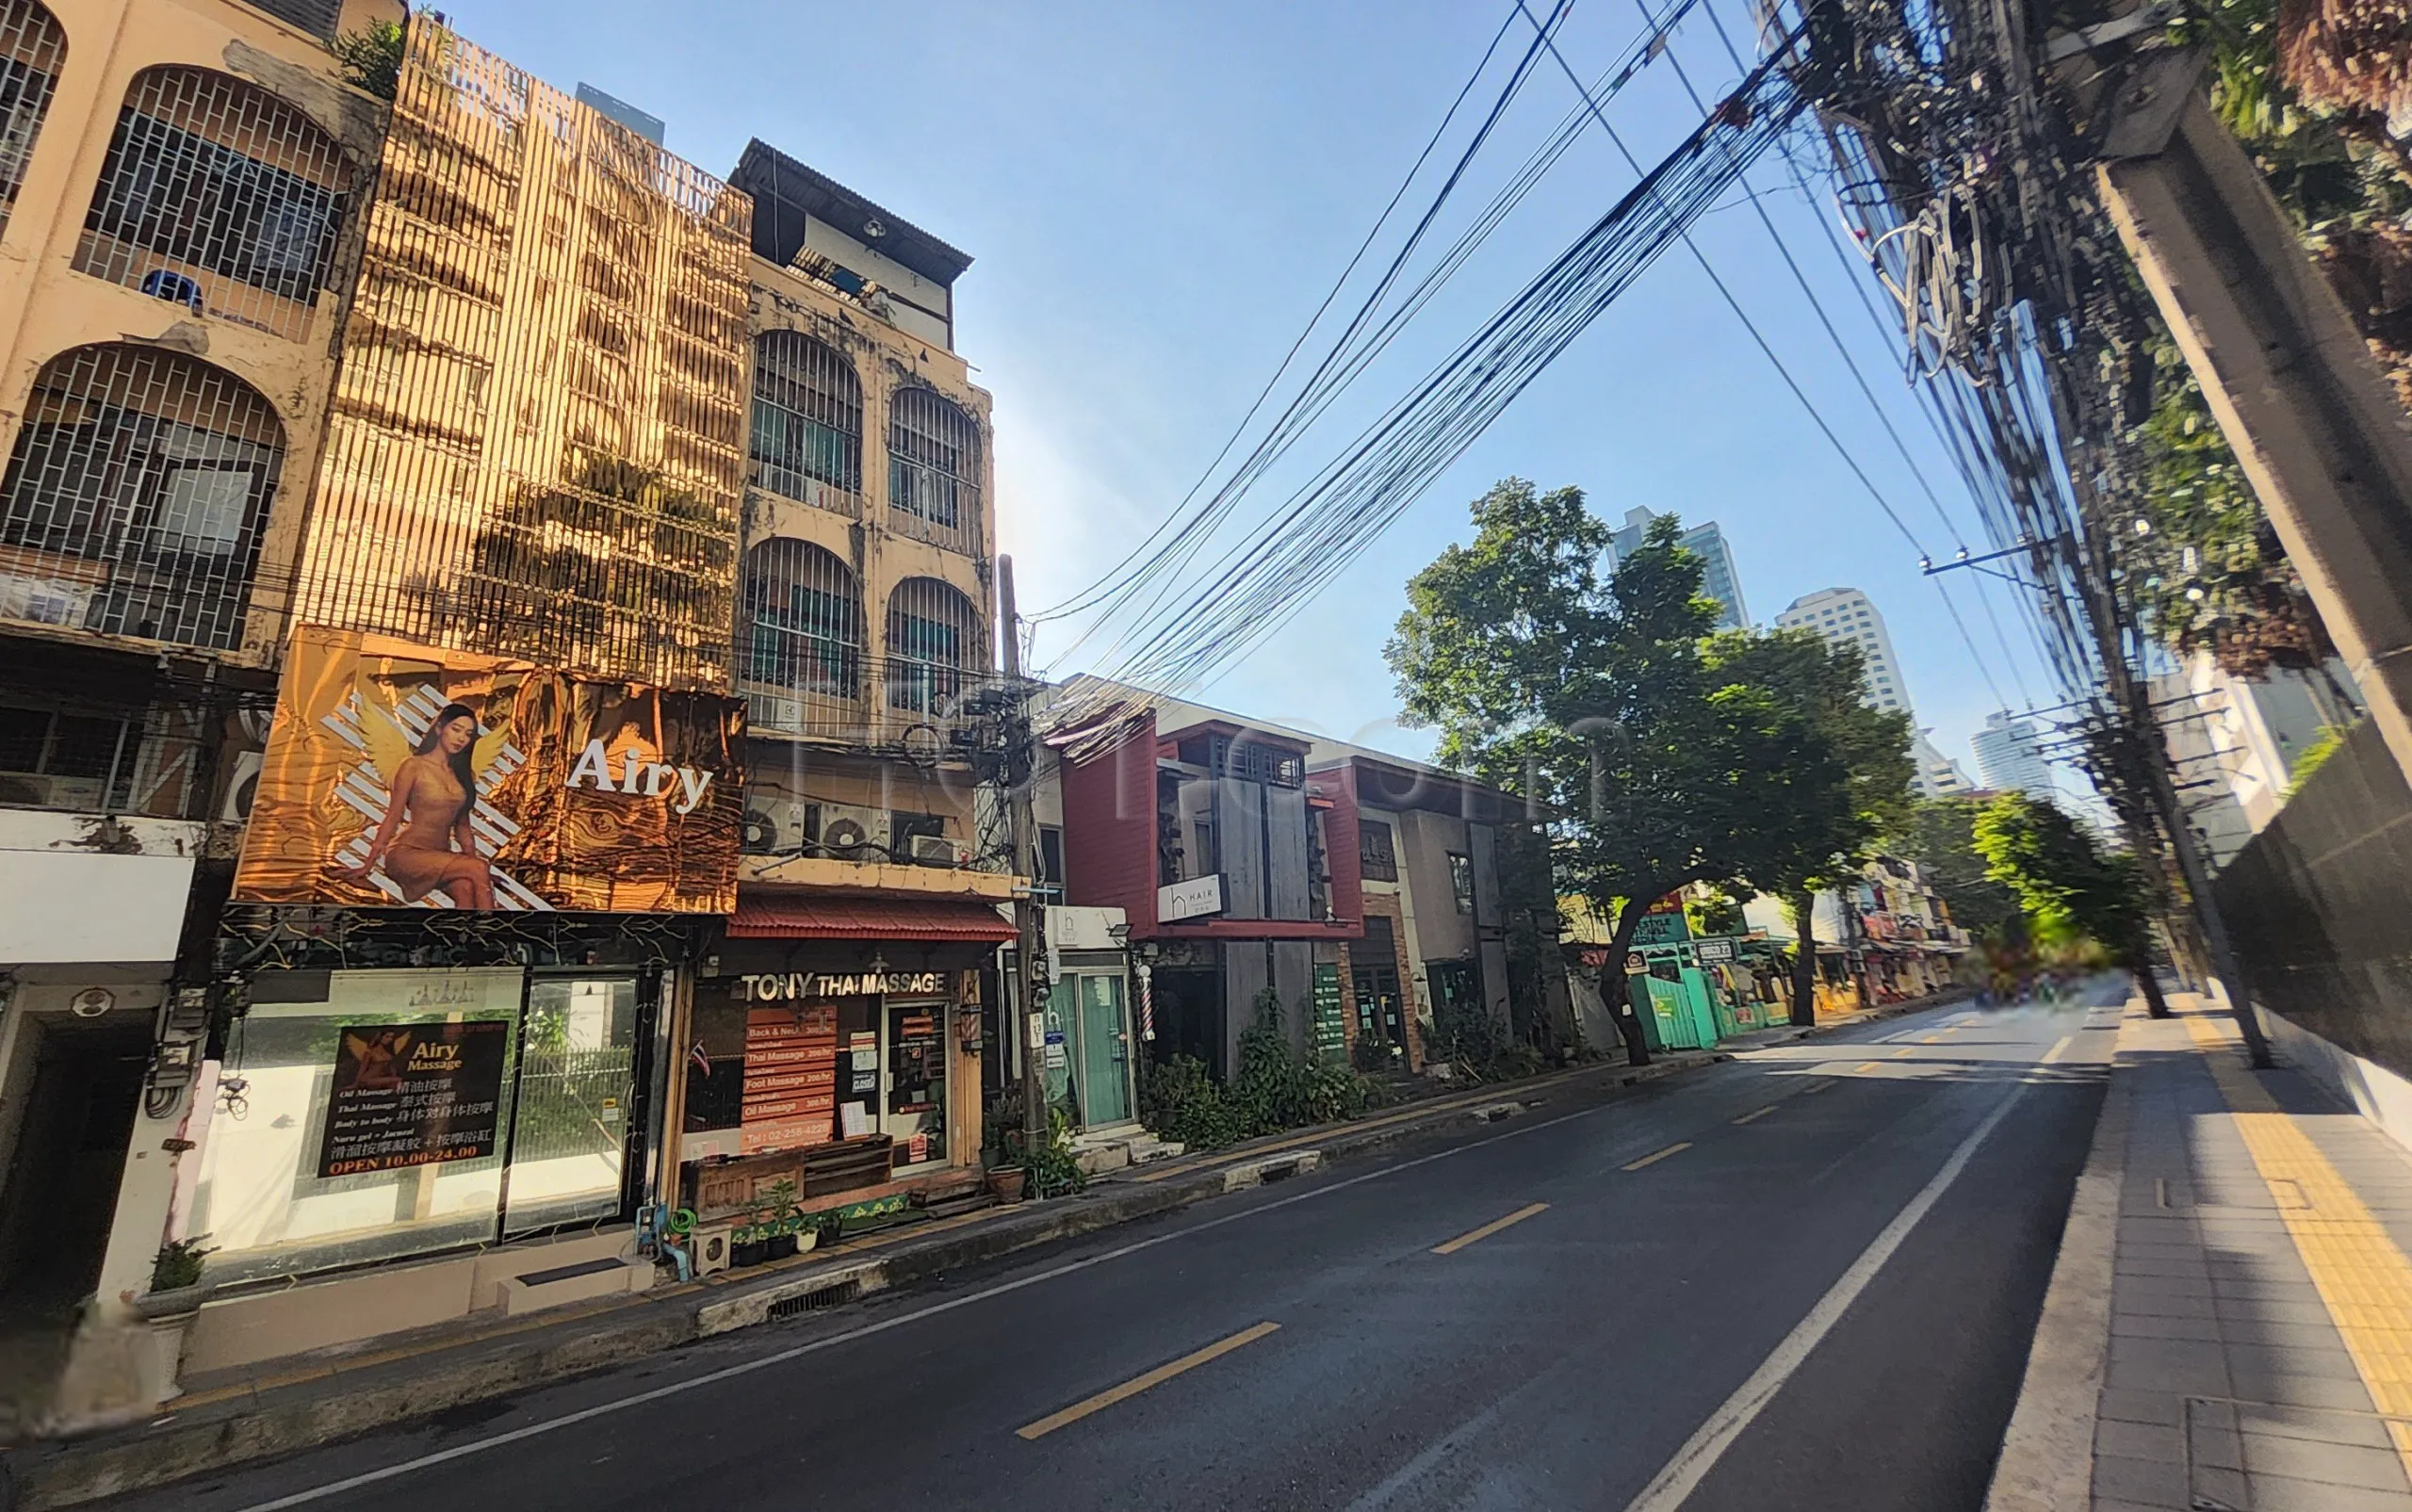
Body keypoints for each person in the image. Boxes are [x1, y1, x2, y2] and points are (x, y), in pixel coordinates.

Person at [342, 702, 497, 909]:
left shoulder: (462, 775)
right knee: (478, 869)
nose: (461, 738)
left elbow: (463, 826)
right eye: (456, 729)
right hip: (407, 854)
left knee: (466, 888)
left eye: (468, 734)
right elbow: (393, 816)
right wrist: (368, 864)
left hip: (441, 855)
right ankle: (496, 936)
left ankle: (466, 940)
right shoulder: (413, 766)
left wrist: (473, 866)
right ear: (440, 728)